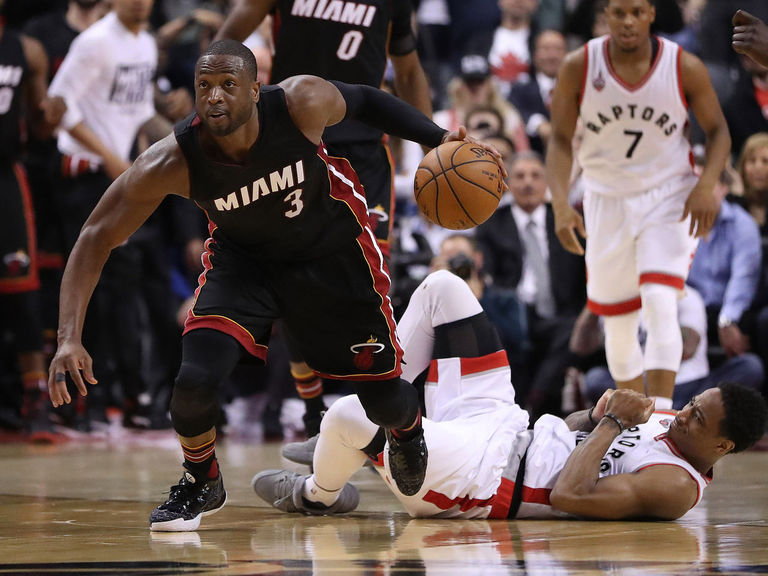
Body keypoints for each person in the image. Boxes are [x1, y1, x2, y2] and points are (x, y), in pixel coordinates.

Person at [46, 39, 505, 531]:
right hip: (246, 263)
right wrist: (68, 337)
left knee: (386, 401)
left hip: (333, 254)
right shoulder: (175, 159)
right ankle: (202, 479)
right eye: (204, 86)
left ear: (254, 88)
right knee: (194, 380)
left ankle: (408, 431)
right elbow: (95, 235)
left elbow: (369, 101)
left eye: (228, 85)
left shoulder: (300, 102)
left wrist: (435, 137)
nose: (215, 97)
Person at [252, 270, 768, 520]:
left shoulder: (677, 487)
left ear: (723, 447)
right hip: (506, 423)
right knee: (442, 289)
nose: (685, 415)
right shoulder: (672, 421)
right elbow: (566, 432)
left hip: (484, 481)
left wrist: (612, 425)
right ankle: (360, 440)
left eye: (699, 420)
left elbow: (569, 496)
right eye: (695, 404)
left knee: (346, 413)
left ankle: (318, 493)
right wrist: (595, 413)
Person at [214, 0, 433, 438]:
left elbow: (407, 72)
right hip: (295, 143)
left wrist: (430, 144)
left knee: (371, 287)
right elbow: (228, 39)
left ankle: (384, 420)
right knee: (294, 283)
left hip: (366, 149)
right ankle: (314, 413)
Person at [546, 0, 731, 409]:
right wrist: (560, 202)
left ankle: (662, 416)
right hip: (605, 198)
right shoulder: (579, 65)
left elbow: (718, 131)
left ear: (650, 14)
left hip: (668, 195)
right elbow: (560, 140)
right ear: (605, 16)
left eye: (636, 11)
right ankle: (635, 418)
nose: (627, 21)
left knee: (660, 297)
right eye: (618, 12)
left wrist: (706, 186)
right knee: (618, 321)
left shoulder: (684, 66)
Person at [0, 2, 64, 440]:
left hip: (6, 175)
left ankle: (35, 398)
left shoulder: (26, 49)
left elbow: (40, 125)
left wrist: (51, 114)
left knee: (22, 289)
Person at [574, 285, 765, 410]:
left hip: (690, 385)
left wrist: (659, 304)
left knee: (749, 367)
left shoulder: (685, 294)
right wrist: (595, 299)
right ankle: (674, 414)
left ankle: (665, 412)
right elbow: (579, 347)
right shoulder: (615, 297)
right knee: (594, 379)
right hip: (634, 387)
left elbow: (687, 349)